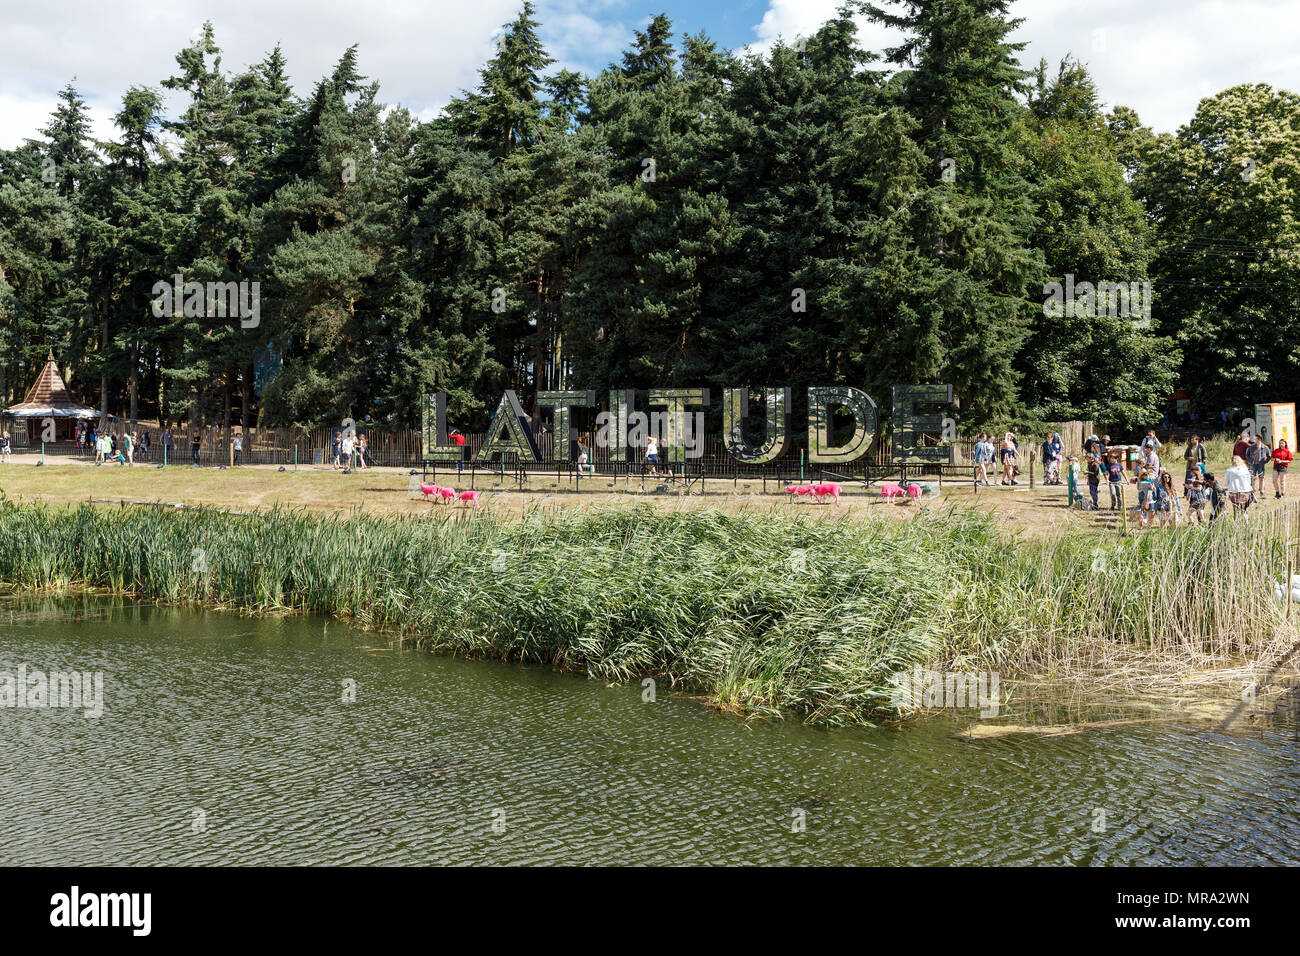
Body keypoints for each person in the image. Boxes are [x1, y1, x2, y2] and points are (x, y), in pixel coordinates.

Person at [1246, 434, 1271, 499]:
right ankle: (1252, 493)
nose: (1254, 440)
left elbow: (1269, 456)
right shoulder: (1251, 447)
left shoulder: (1265, 447)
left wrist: (1265, 462)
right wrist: (1249, 461)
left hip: (1261, 465)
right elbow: (1247, 454)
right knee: (1253, 478)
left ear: (1259, 439)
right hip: (1253, 465)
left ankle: (1261, 492)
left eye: (1255, 439)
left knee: (1261, 478)